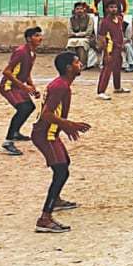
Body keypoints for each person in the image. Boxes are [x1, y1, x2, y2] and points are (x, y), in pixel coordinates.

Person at [31, 52, 91, 233]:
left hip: (50, 133)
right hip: (45, 135)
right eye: (77, 62)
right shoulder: (61, 87)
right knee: (61, 171)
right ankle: (45, 218)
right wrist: (69, 124)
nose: (80, 64)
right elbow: (47, 114)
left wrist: (64, 127)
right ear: (68, 68)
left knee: (65, 164)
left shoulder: (62, 84)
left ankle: (55, 199)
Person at [0, 26, 42, 156]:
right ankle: (8, 142)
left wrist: (32, 87)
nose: (40, 38)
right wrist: (24, 87)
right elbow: (6, 72)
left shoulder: (32, 53)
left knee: (29, 107)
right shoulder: (21, 51)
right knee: (23, 108)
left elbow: (27, 73)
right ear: (29, 39)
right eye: (36, 35)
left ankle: (16, 133)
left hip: (17, 86)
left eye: (40, 35)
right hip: (8, 86)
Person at [96, 0, 131, 100]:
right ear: (107, 9)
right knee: (107, 69)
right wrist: (106, 52)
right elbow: (102, 38)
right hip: (110, 48)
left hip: (118, 47)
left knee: (117, 67)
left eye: (115, 7)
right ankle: (101, 91)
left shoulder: (119, 19)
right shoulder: (105, 22)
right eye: (111, 7)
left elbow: (119, 33)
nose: (113, 9)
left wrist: (122, 43)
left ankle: (117, 87)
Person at [66, 1, 98, 69]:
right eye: (77, 9)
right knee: (70, 42)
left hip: (89, 38)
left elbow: (89, 32)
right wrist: (78, 35)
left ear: (84, 10)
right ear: (74, 10)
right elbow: (70, 32)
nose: (79, 10)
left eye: (81, 9)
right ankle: (72, 64)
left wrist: (77, 34)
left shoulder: (89, 18)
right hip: (74, 37)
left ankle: (82, 64)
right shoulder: (71, 19)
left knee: (82, 43)